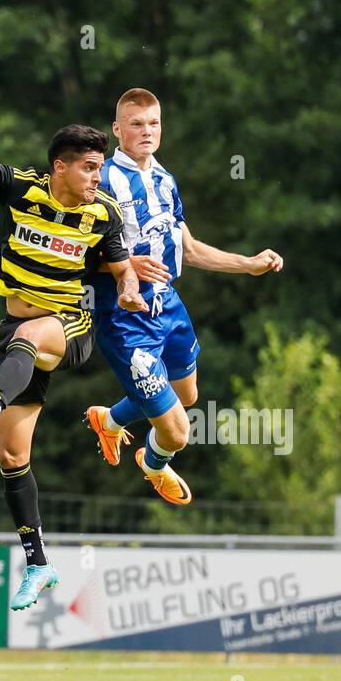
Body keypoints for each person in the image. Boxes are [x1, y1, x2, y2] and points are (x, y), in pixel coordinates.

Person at [0, 77, 145, 609]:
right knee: (12, 454)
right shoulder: (23, 188)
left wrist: (131, 290)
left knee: (27, 338)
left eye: (101, 166)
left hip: (69, 324)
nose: (98, 176)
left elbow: (122, 270)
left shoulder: (105, 213)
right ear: (60, 167)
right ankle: (40, 565)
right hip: (17, 334)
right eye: (89, 167)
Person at [84, 87, 283, 503]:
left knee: (188, 394)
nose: (146, 131)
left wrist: (247, 263)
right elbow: (74, 254)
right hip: (124, 316)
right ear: (117, 129)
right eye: (136, 124)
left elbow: (187, 249)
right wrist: (123, 266)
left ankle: (111, 420)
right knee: (176, 431)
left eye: (153, 123)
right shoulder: (100, 181)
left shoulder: (165, 180)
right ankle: (153, 464)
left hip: (168, 306)